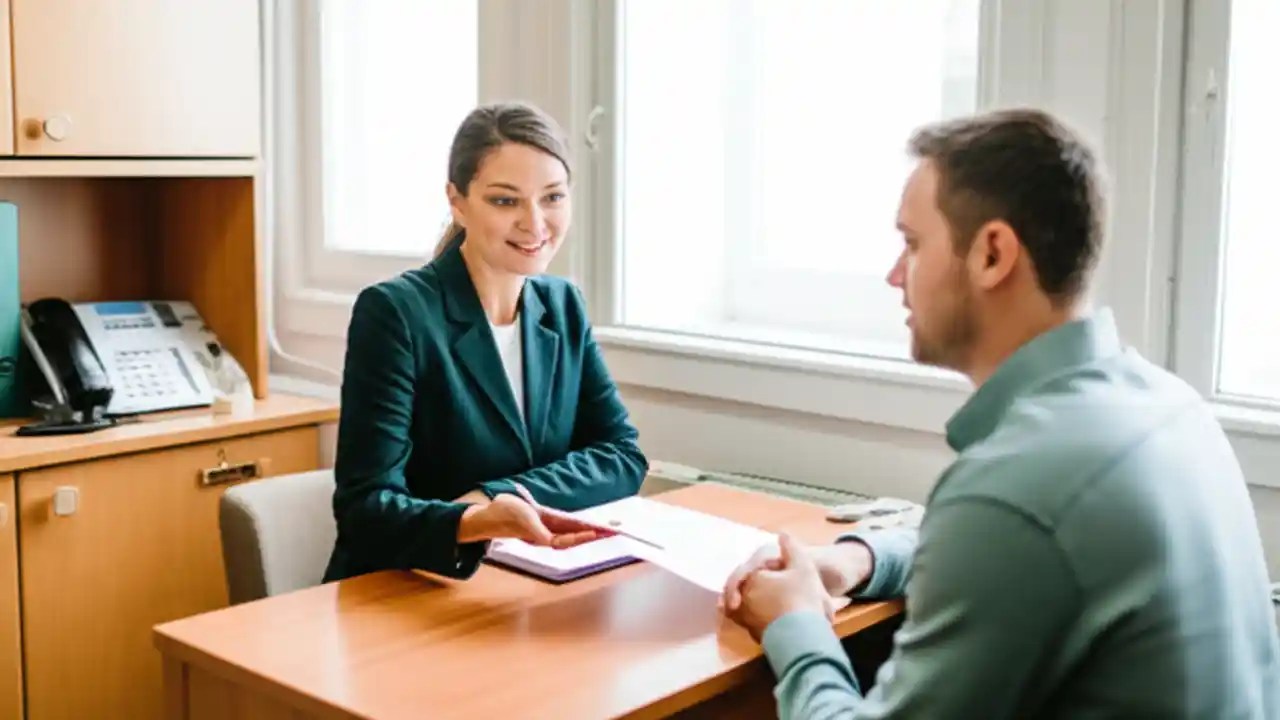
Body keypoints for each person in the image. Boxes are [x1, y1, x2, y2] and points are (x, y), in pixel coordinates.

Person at [722, 108, 1280, 718]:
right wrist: (861, 558)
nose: (894, 275)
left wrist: (796, 622)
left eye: (913, 244)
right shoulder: (1169, 406)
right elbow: (1023, 546)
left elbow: (1013, 523)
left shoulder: (1017, 487)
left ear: (992, 254)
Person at [324, 102, 648, 583]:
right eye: (504, 201)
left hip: (517, 581)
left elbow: (622, 456)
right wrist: (475, 521)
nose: (535, 223)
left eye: (553, 197)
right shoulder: (395, 313)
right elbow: (365, 511)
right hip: (404, 587)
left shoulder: (562, 305)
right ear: (457, 202)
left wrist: (498, 496)